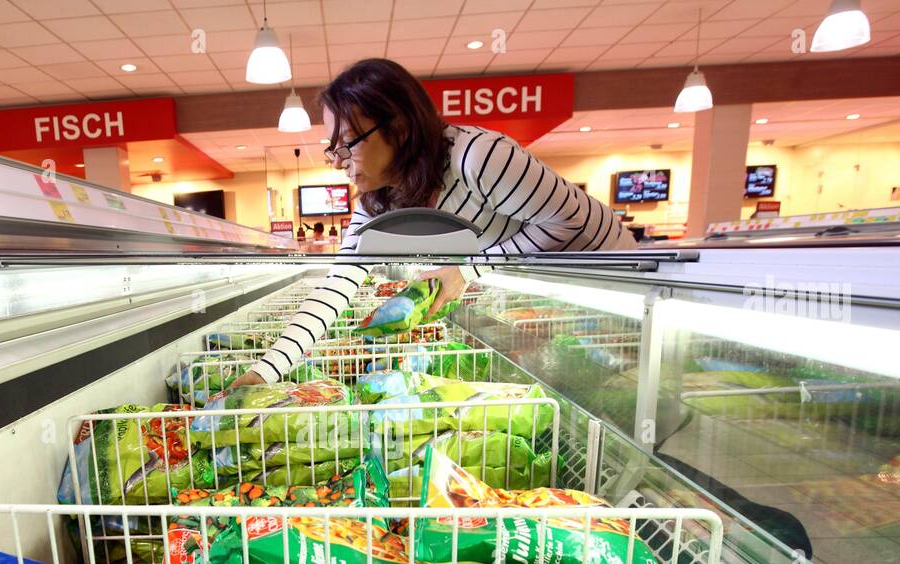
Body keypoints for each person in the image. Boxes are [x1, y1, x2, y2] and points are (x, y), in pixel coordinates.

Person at [229, 57, 637, 388]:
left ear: (400, 129)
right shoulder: (379, 199)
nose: (338, 162)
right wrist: (263, 373)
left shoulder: (478, 156)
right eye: (331, 148)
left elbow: (571, 222)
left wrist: (466, 269)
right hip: (547, 292)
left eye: (347, 144)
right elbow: (336, 286)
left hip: (611, 284)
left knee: (616, 386)